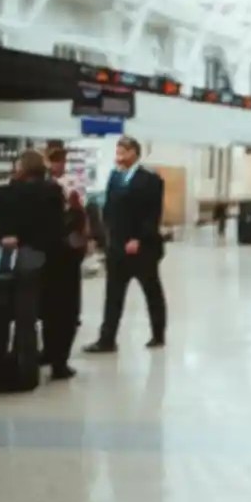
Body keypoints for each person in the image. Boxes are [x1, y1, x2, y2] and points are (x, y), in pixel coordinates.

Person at [0, 150, 68, 379]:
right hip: (43, 259)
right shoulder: (52, 193)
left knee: (14, 313)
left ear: (19, 169)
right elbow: (56, 228)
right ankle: (37, 363)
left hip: (8, 261)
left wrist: (5, 235)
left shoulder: (2, 194)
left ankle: (8, 360)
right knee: (45, 313)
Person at [84, 137, 167, 353]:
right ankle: (107, 339)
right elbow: (110, 211)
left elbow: (152, 214)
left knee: (152, 292)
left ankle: (158, 334)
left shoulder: (150, 179)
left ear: (134, 153)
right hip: (117, 247)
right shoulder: (115, 177)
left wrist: (138, 238)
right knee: (113, 295)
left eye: (123, 151)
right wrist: (107, 238)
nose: (119, 155)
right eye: (118, 151)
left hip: (142, 248)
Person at [44, 147, 85, 379]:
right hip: (61, 258)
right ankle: (54, 356)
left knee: (55, 310)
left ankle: (55, 356)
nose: (56, 166)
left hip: (56, 256)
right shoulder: (49, 187)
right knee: (59, 311)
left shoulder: (71, 184)